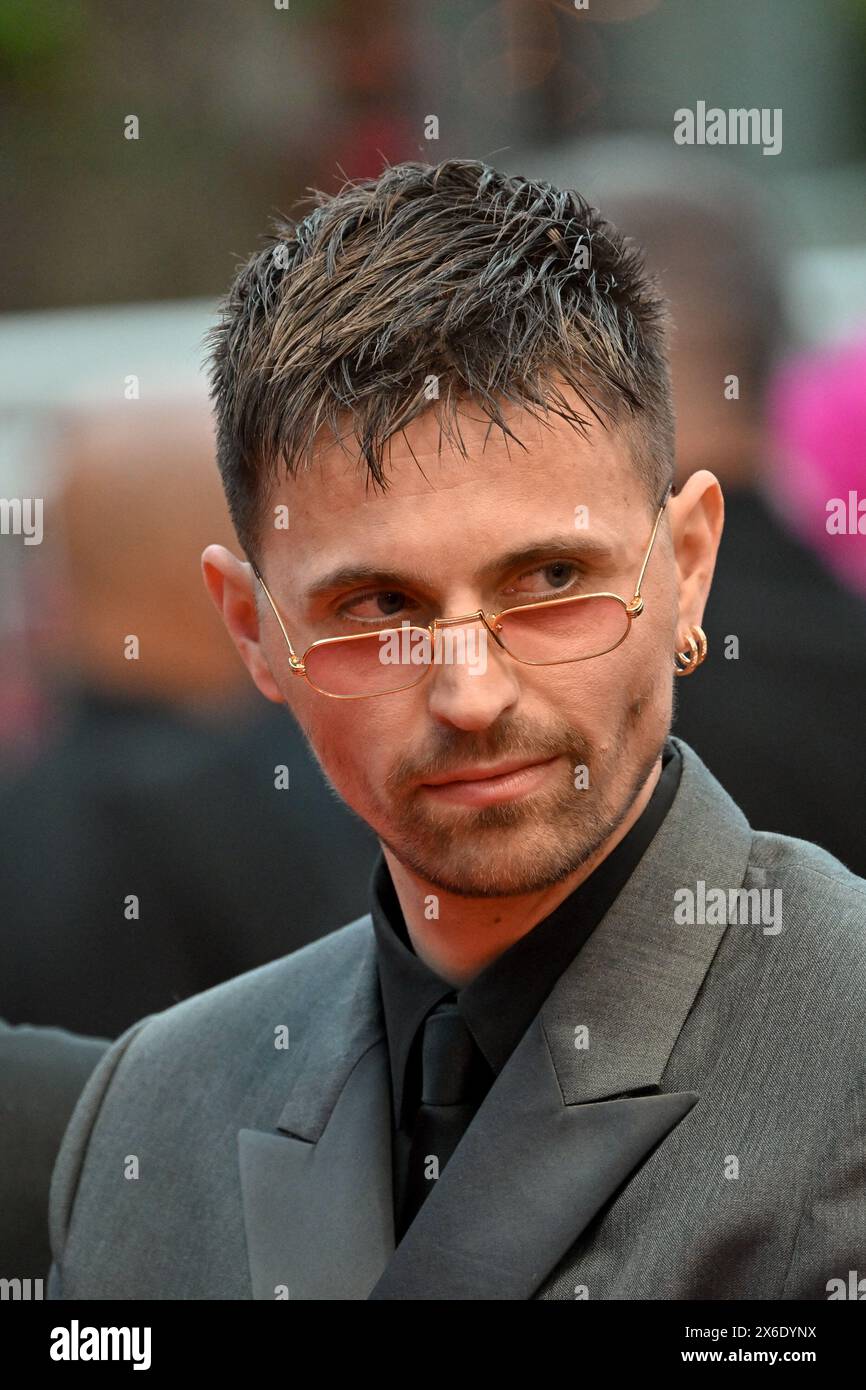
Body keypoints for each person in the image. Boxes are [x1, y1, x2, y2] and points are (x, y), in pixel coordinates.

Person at [48, 159, 866, 1300]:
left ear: (684, 567)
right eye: (379, 607)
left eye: (547, 577)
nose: (469, 692)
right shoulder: (155, 1106)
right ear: (255, 631)